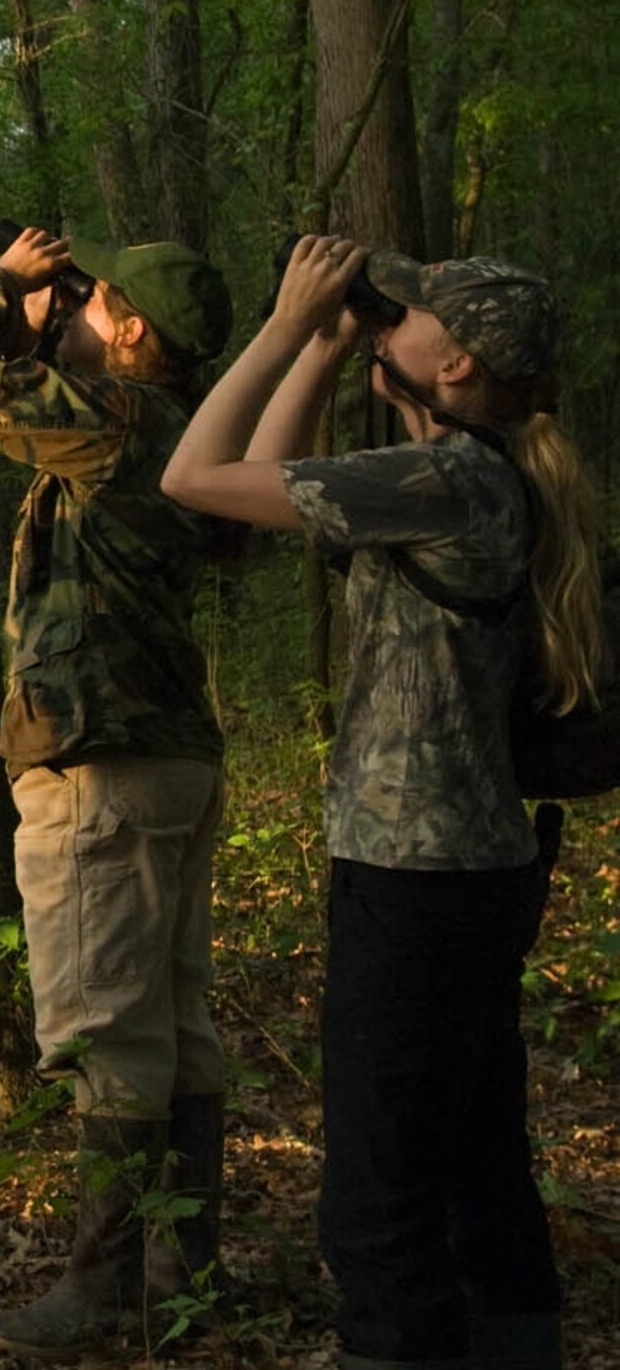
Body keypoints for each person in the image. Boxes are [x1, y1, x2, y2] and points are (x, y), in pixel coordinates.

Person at [164, 237, 592, 1370]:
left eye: (404, 319)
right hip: (476, 861)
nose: (382, 325)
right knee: (476, 1154)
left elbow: (195, 476)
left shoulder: (444, 478)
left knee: (381, 1180)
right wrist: (321, 342)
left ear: (453, 366)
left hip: (415, 873)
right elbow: (263, 478)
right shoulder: (474, 474)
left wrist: (279, 330)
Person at [0, 227, 236, 1352]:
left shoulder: (109, 421)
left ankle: (107, 1288)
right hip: (171, 754)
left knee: (108, 1029)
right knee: (175, 1020)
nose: (82, 307)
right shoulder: (193, 430)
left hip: (102, 757)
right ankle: (183, 1269)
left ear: (134, 328)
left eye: (98, 300)